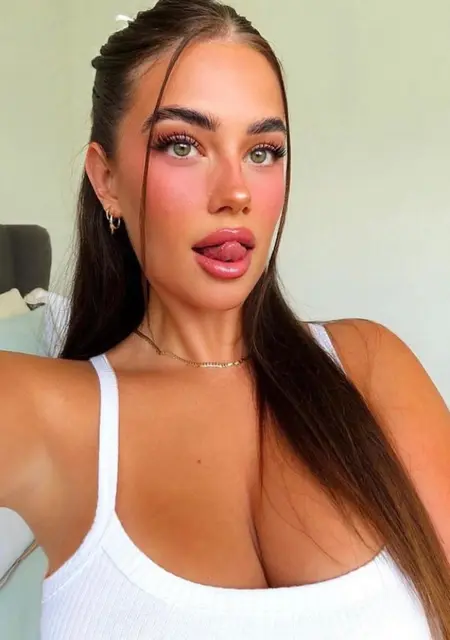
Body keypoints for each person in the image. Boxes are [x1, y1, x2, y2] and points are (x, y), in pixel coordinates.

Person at [1, 0, 450, 637]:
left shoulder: (369, 367)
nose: (236, 192)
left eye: (263, 151)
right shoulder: (37, 408)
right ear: (106, 180)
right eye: (183, 145)